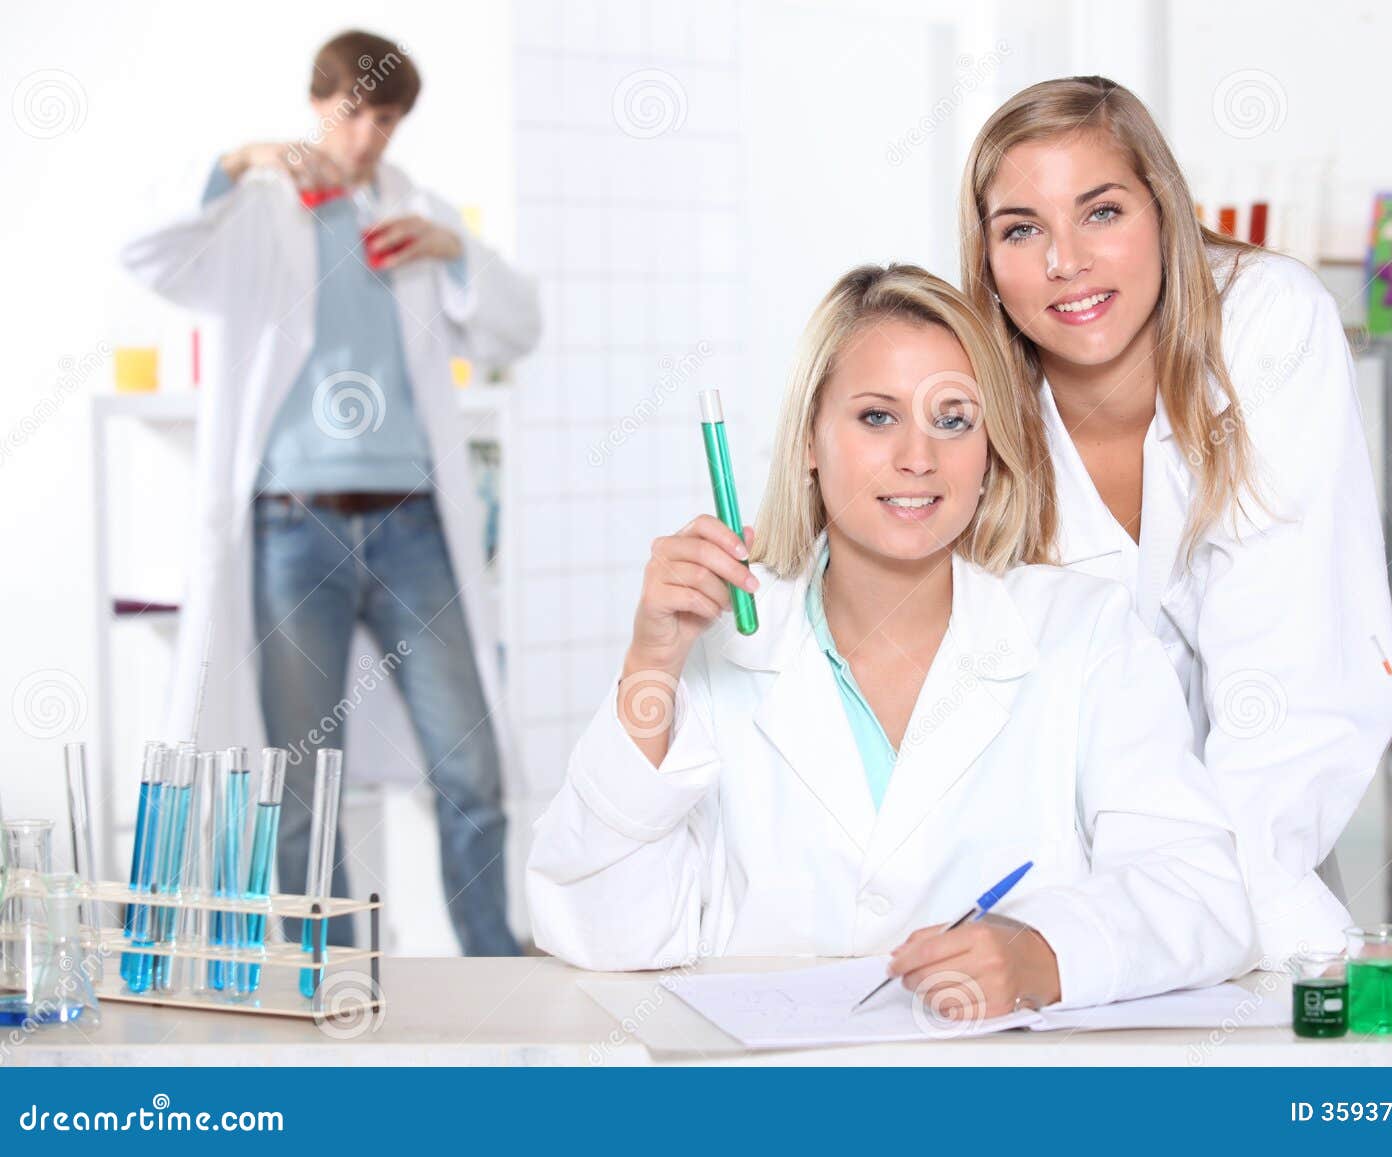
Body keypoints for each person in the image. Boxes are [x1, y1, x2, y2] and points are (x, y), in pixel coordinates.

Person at [526, 265, 1255, 1015]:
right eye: (877, 417)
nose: (919, 457)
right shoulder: (719, 648)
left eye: (953, 419)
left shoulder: (1083, 632)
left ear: (991, 449)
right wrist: (652, 664)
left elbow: (1201, 894)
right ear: (809, 439)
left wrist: (1041, 956)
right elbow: (606, 931)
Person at [959, 76, 1392, 965]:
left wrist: (1185, 920)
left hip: (1250, 878)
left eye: (1102, 212)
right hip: (1048, 905)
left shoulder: (1268, 326)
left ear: (1164, 209)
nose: (1065, 262)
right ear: (988, 261)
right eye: (1022, 229)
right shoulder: (970, 390)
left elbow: (1292, 672)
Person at [121, 30, 538, 955]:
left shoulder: (418, 217)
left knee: (468, 764)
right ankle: (330, 974)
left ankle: (493, 960)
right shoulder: (258, 211)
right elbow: (145, 251)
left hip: (412, 526)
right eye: (355, 114)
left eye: (386, 121)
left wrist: (457, 251)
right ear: (320, 105)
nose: (368, 138)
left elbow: (517, 327)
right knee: (299, 777)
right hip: (291, 529)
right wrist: (237, 161)